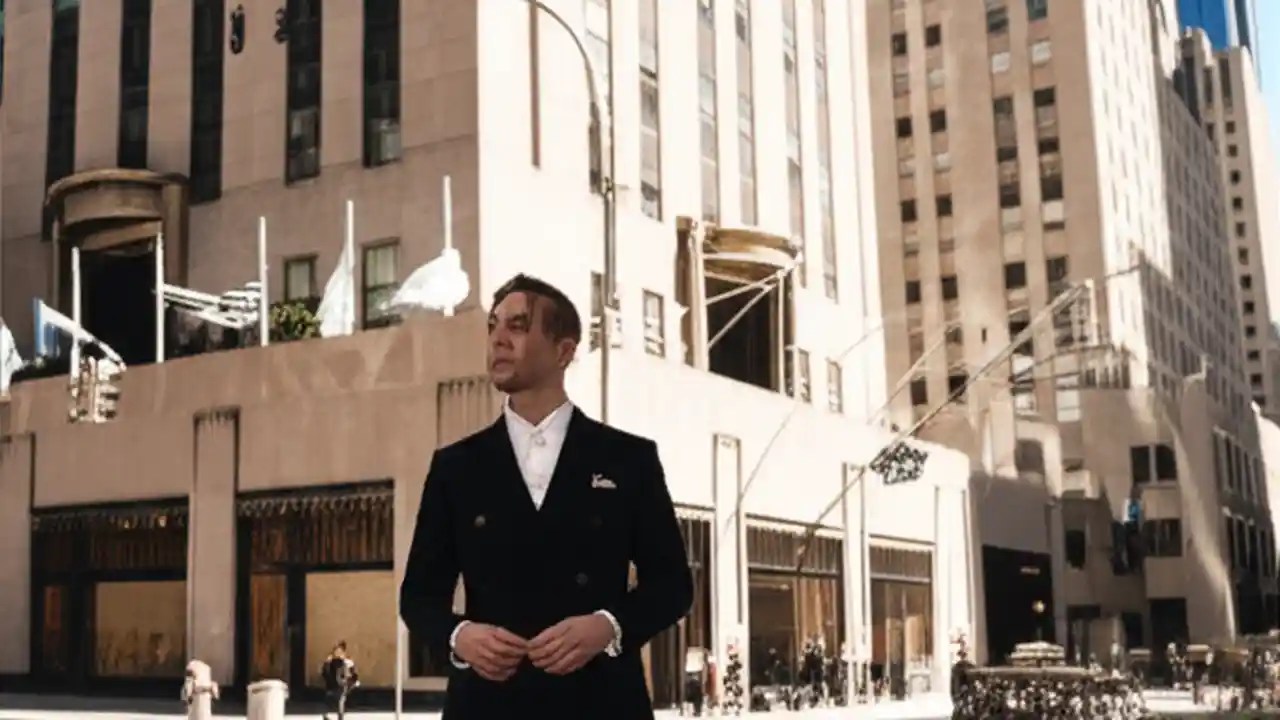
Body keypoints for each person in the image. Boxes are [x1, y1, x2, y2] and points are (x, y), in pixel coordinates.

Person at [400, 274, 693, 719]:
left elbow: (673, 585)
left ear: (563, 350)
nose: (498, 339)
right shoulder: (455, 467)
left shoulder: (628, 459)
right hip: (488, 706)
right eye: (493, 326)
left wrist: (608, 627)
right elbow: (419, 597)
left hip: (602, 703)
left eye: (517, 326)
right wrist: (461, 637)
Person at [320, 641, 359, 720]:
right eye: (336, 651)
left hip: (341, 686)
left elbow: (352, 673)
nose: (338, 653)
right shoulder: (330, 662)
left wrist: (352, 681)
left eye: (340, 651)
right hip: (331, 685)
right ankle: (327, 716)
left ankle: (340, 717)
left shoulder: (346, 662)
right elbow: (324, 672)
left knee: (340, 702)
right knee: (328, 703)